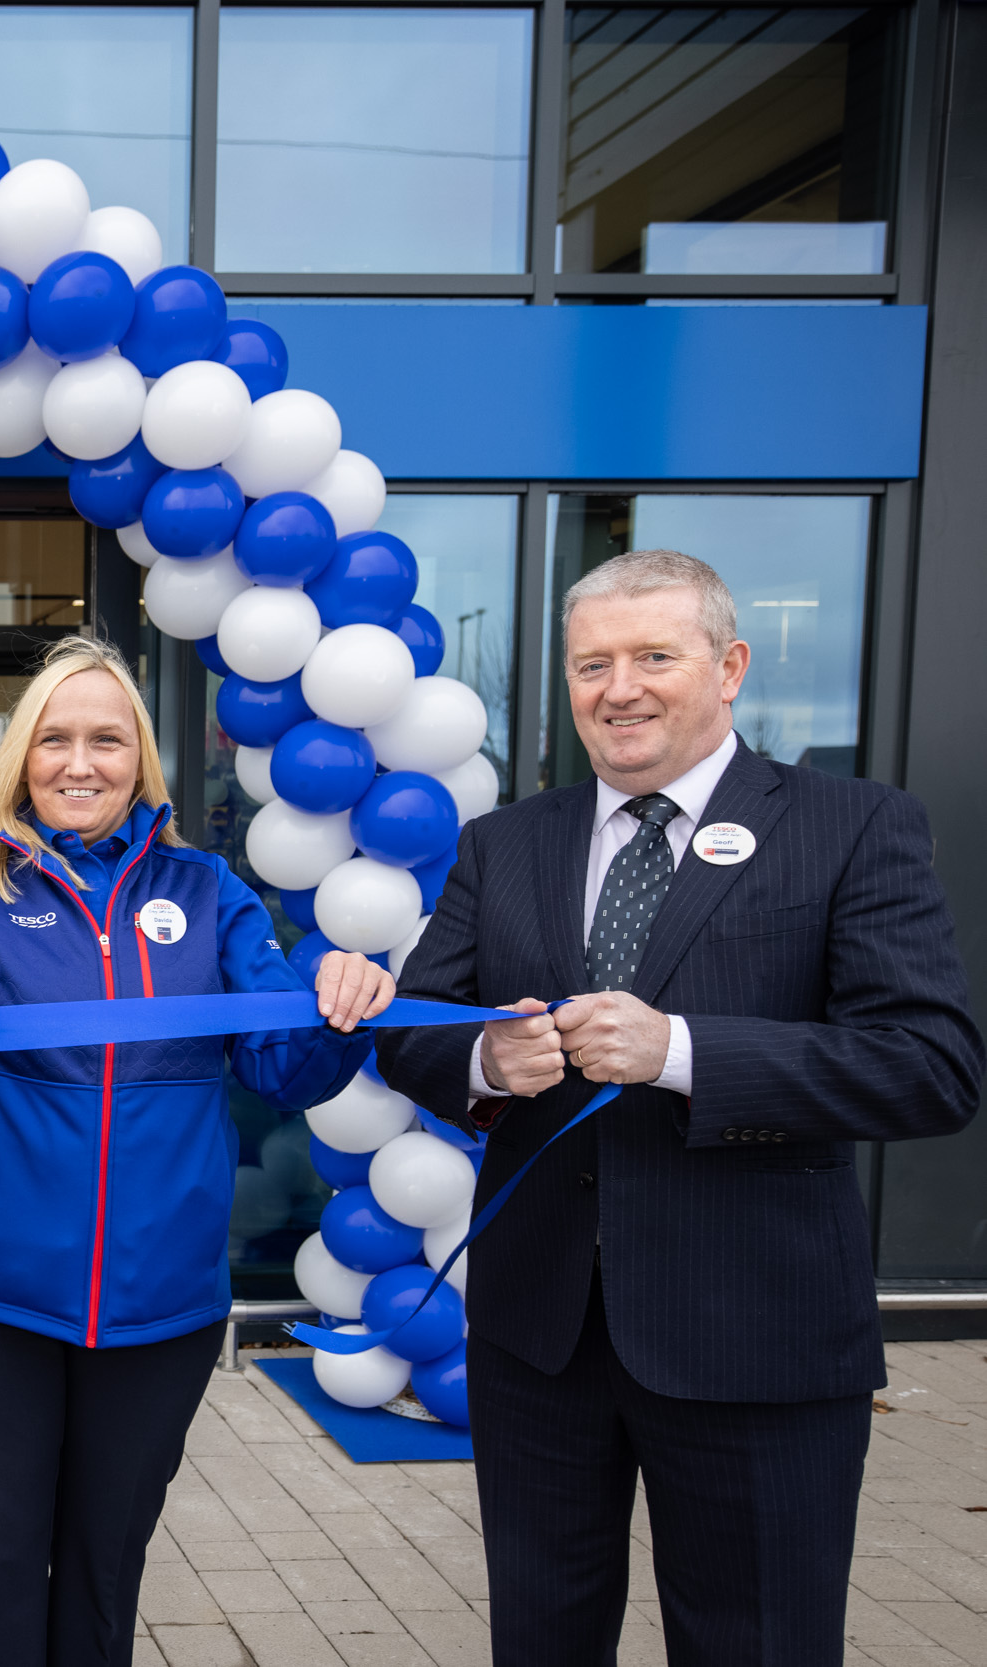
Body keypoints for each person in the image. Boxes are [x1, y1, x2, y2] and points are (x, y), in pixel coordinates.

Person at [378, 549, 982, 1667]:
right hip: (538, 1336)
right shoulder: (505, 841)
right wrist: (484, 1064)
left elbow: (928, 1064)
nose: (621, 687)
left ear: (729, 665)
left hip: (755, 1332)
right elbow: (415, 1031)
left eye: (655, 655)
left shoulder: (853, 824)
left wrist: (682, 1051)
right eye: (592, 663)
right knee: (541, 1637)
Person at [0, 635, 393, 1667]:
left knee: (106, 1572)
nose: (79, 762)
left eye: (105, 739)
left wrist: (341, 1007)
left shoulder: (208, 892)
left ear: (139, 757)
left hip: (161, 1299)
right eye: (55, 738)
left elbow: (279, 1068)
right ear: (20, 758)